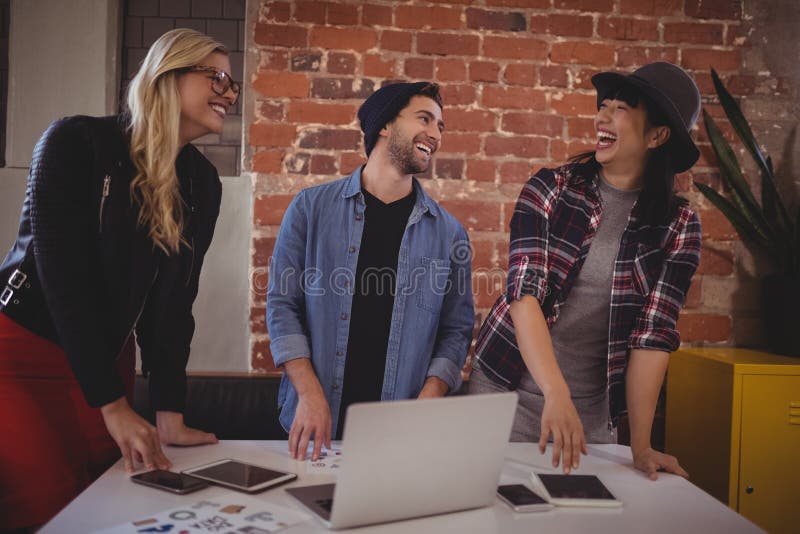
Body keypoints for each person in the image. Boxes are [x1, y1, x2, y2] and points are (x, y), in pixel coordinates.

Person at [0, 28, 239, 529]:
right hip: (22, 354)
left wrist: (169, 411)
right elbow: (62, 278)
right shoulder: (74, 140)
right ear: (167, 75)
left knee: (106, 500)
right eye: (215, 76)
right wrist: (112, 405)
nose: (229, 92)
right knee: (50, 506)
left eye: (233, 84)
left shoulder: (202, 183)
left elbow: (174, 304)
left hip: (105, 359)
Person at [467, 62, 702, 481]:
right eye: (603, 105)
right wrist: (556, 393)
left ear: (657, 135)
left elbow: (652, 337)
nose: (602, 117)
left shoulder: (678, 226)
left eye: (620, 108)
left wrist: (642, 446)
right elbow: (525, 296)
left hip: (588, 415)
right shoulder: (550, 189)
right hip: (502, 394)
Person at [267, 81, 474, 462]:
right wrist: (310, 396)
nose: (435, 133)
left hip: (400, 438)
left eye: (441, 126)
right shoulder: (310, 210)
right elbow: (282, 307)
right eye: (424, 119)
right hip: (313, 428)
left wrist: (429, 400)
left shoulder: (450, 234)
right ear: (384, 124)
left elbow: (456, 330)